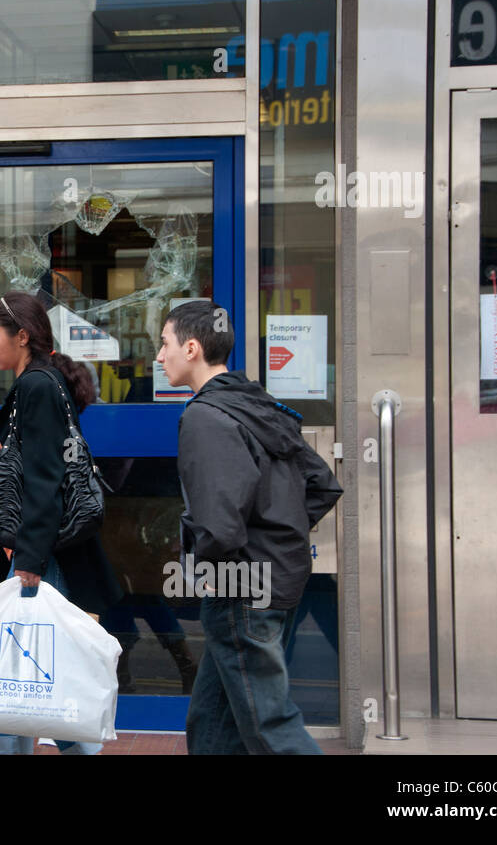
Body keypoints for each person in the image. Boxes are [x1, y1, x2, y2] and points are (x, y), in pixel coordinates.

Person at [156, 299, 342, 755]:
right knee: (212, 730)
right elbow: (321, 485)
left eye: (164, 344)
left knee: (270, 727)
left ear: (193, 348)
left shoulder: (204, 416)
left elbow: (219, 526)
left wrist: (210, 568)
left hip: (241, 590)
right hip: (273, 579)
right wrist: (279, 536)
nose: (159, 357)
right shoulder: (257, 404)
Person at [0, 290, 123, 755]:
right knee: (40, 672)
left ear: (22, 337)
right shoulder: (42, 382)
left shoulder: (38, 386)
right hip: (44, 552)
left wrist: (28, 558)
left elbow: (45, 478)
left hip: (40, 556)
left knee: (18, 675)